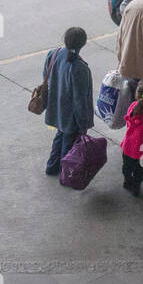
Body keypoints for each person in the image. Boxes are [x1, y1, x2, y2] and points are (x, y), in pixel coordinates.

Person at [42, 27, 94, 176]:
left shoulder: (54, 54)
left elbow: (45, 75)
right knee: (69, 143)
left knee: (60, 135)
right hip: (70, 116)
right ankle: (67, 175)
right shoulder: (79, 68)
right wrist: (83, 122)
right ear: (82, 44)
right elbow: (80, 99)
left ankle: (52, 167)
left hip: (55, 108)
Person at [120, 83, 143, 198]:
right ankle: (136, 187)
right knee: (140, 170)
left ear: (137, 95)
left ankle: (127, 182)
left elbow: (127, 121)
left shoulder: (133, 106)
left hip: (129, 145)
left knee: (127, 166)